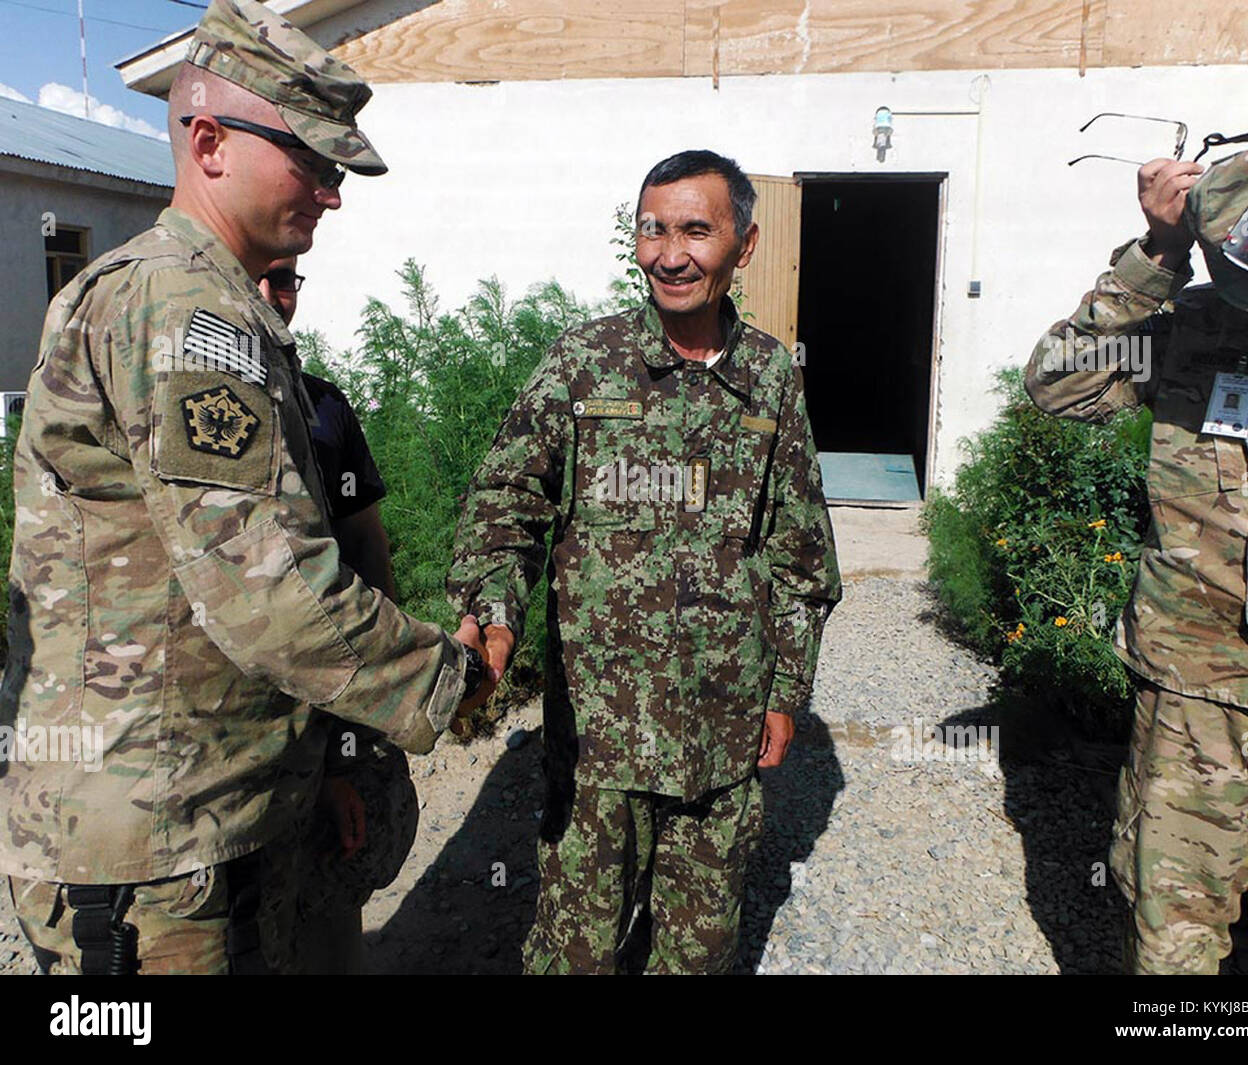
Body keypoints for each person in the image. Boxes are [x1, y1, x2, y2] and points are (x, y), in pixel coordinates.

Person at [0, 0, 493, 975]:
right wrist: (455, 682)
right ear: (211, 141)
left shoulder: (218, 307)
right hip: (152, 848)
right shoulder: (182, 310)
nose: (331, 193)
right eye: (311, 161)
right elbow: (270, 592)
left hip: (203, 817)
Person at [448, 149, 842, 974]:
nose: (670, 253)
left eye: (696, 230)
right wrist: (493, 608)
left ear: (745, 243)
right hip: (598, 739)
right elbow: (506, 498)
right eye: (652, 229)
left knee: (698, 953)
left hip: (720, 735)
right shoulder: (584, 363)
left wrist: (785, 694)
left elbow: (799, 553)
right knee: (574, 950)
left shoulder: (773, 377)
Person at [1024, 136, 1248, 974]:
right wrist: (1159, 252)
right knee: (1172, 950)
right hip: (1192, 689)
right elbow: (1059, 384)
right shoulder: (1198, 330)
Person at [257, 256, 414, 974]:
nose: (272, 294)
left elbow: (365, 556)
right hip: (219, 748)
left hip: (318, 718)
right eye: (256, 276)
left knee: (327, 932)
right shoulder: (159, 401)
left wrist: (358, 737)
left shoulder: (323, 408)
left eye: (286, 279)